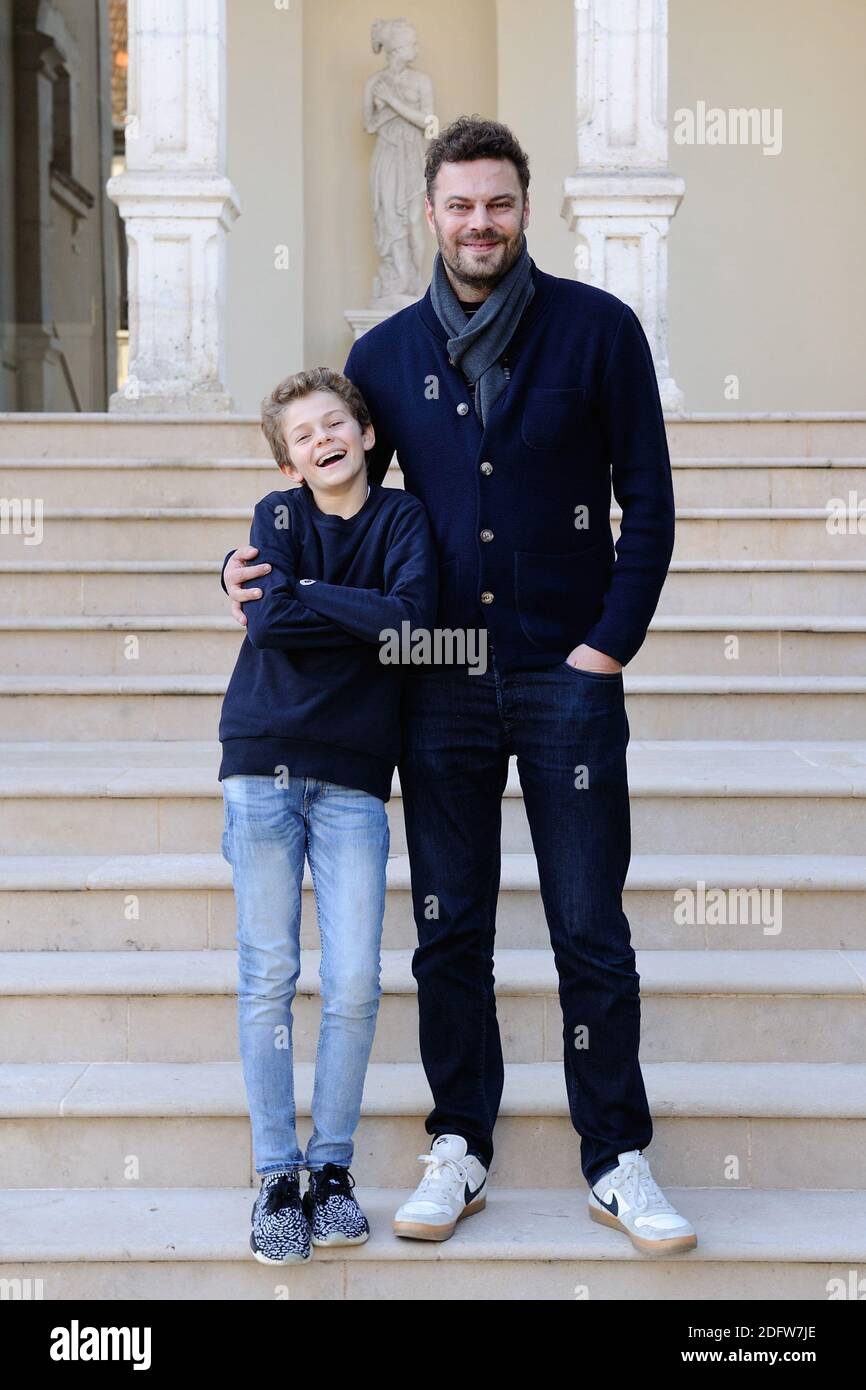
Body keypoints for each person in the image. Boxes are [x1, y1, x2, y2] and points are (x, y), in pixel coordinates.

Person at [221, 117, 697, 1256]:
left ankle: (615, 1156)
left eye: (495, 203)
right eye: (456, 205)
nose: (476, 223)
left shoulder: (597, 330)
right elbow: (340, 505)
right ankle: (459, 1144)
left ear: (523, 208)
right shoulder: (383, 356)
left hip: (564, 674)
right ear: (427, 214)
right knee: (449, 930)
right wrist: (249, 560)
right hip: (433, 683)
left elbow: (649, 498)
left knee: (588, 928)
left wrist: (606, 647)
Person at [219, 367, 437, 1263]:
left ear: (366, 433)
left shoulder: (403, 520)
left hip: (353, 777)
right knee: (270, 974)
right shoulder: (277, 519)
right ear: (287, 461)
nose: (322, 440)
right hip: (260, 764)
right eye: (302, 434)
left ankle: (332, 1170)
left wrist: (304, 596)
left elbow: (415, 628)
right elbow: (266, 627)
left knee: (352, 982)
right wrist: (345, 612)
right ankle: (277, 1175)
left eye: (335, 422)